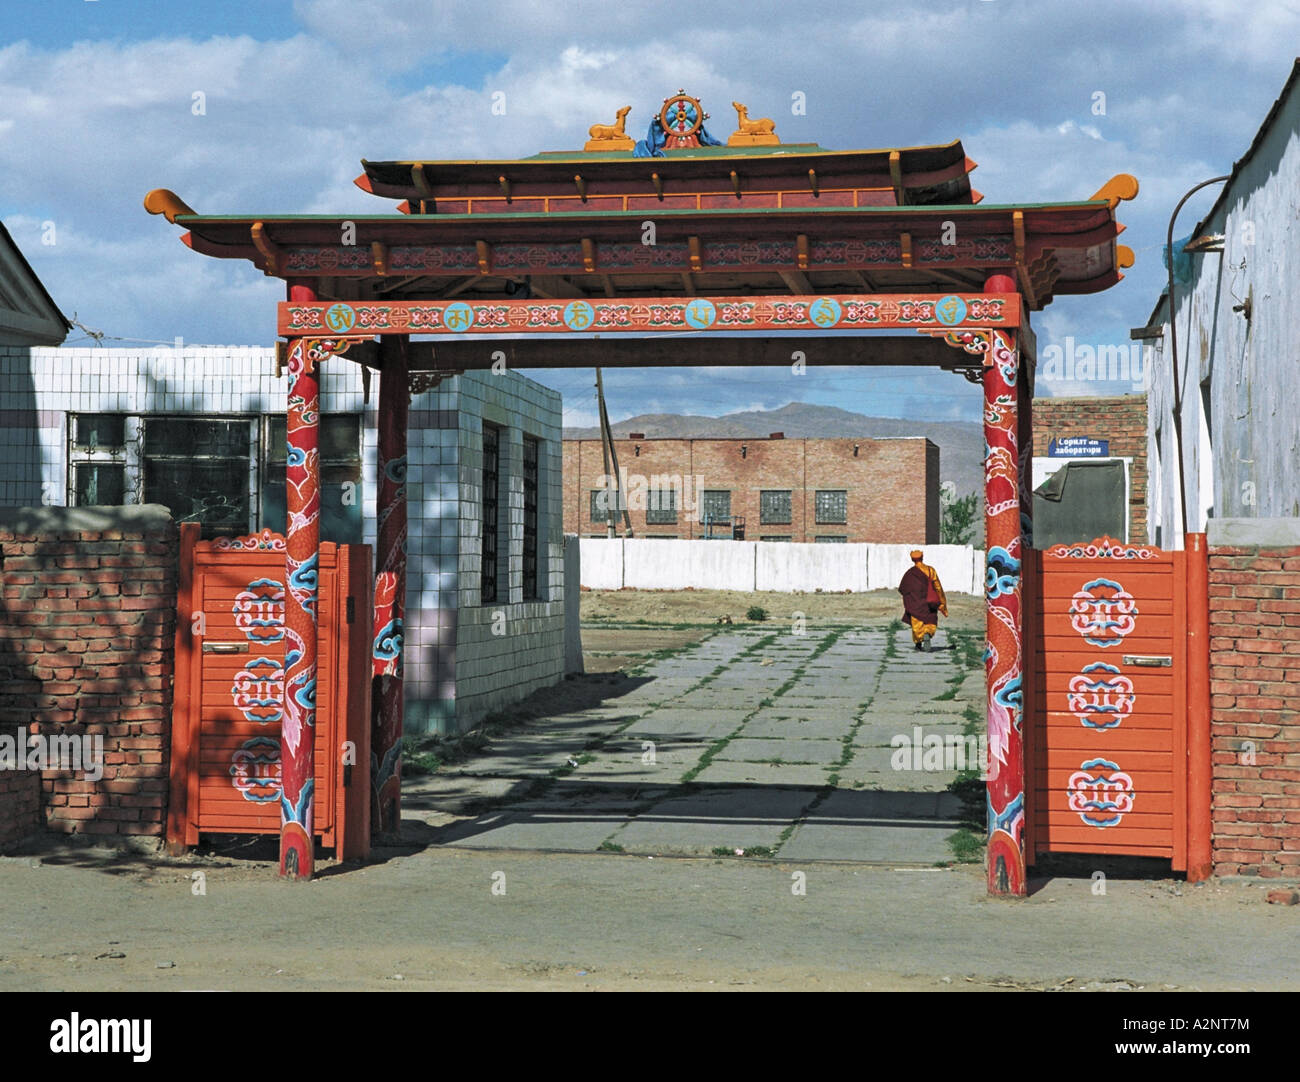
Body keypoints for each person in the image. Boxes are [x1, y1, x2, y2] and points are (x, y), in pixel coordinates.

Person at [898, 549, 948, 652]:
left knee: (917, 621)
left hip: (916, 602)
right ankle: (927, 633)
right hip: (929, 602)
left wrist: (910, 599)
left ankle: (918, 642)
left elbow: (903, 589)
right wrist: (942, 602)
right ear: (922, 557)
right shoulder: (930, 570)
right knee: (930, 620)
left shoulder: (910, 573)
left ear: (912, 559)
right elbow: (938, 587)